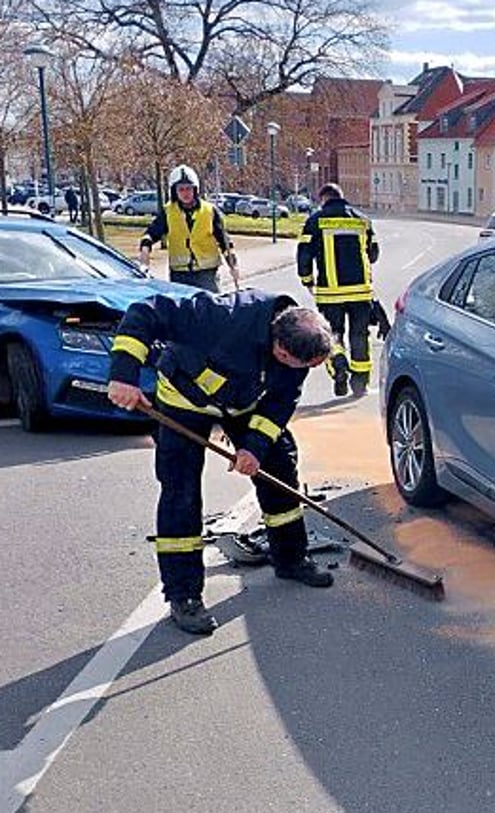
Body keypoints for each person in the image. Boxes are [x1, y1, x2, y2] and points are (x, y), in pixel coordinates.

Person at [107, 289, 335, 636]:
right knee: (181, 492)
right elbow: (145, 312)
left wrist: (254, 448)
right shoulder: (218, 316)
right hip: (184, 402)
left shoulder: (301, 350)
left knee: (278, 466)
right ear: (280, 349)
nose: (303, 371)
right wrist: (124, 374)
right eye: (299, 365)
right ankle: (184, 595)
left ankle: (290, 558)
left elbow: (281, 400)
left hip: (243, 404)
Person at [296, 183, 387, 398]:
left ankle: (338, 365)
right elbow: (373, 254)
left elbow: (304, 254)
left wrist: (307, 280)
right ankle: (360, 383)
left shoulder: (315, 221)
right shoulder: (362, 220)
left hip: (330, 293)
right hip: (361, 291)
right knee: (360, 335)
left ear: (323, 199)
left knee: (332, 333)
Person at [138, 164, 239, 293]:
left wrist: (233, 266)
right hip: (180, 275)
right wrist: (145, 255)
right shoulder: (168, 212)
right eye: (181, 189)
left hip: (207, 274)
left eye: (188, 189)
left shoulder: (210, 211)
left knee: (210, 305)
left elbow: (225, 242)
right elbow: (151, 234)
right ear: (174, 191)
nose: (185, 193)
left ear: (195, 189)